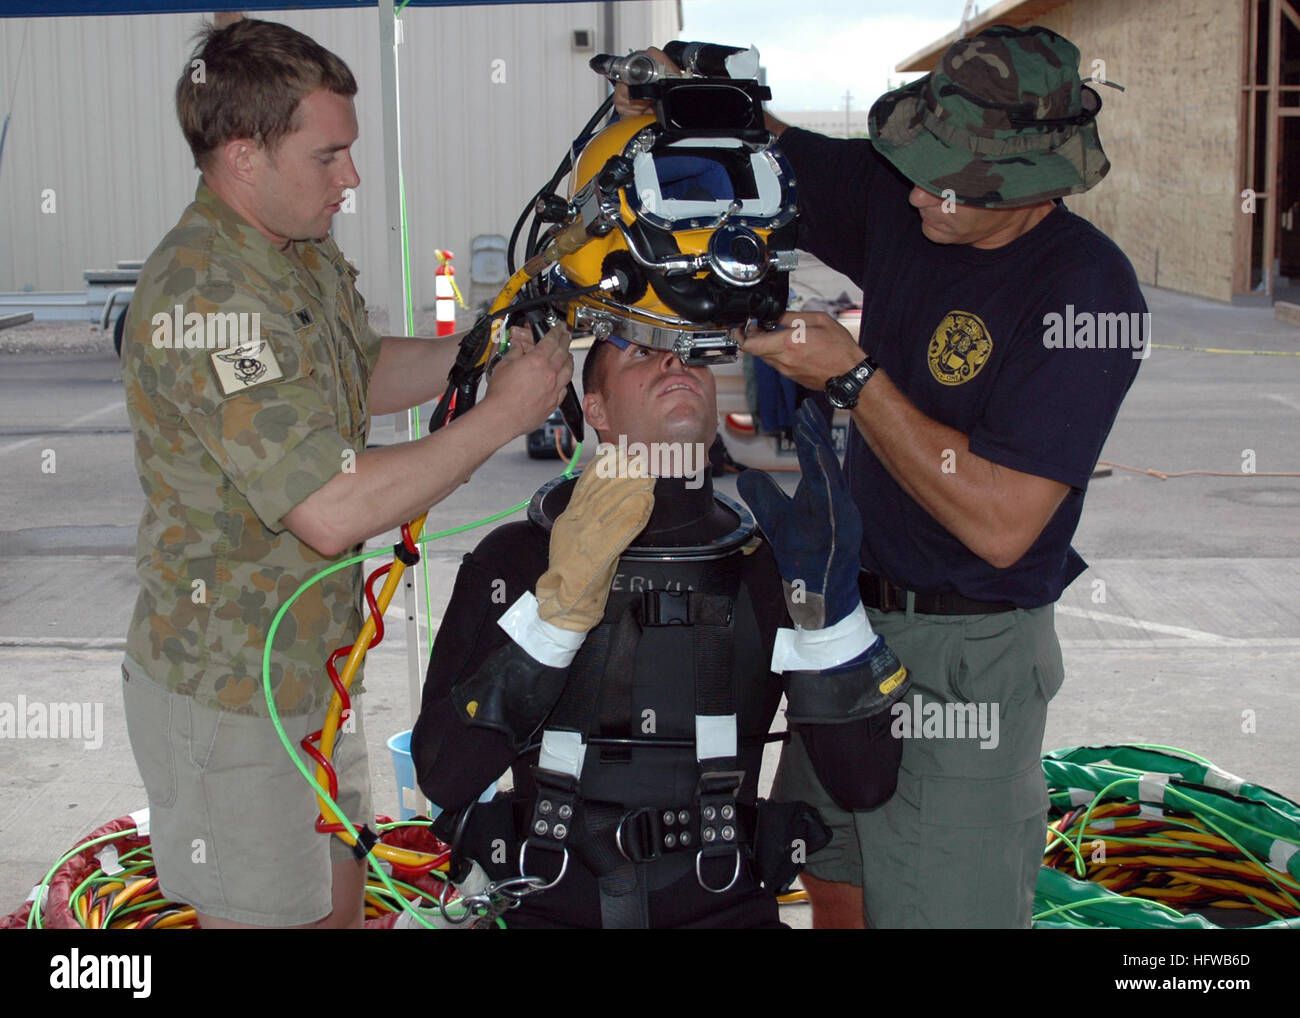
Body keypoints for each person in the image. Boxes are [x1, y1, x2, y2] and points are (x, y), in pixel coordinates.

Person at [620, 24, 1146, 928]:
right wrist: (688, 92)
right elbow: (774, 145)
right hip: (846, 632)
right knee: (835, 878)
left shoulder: (1084, 295)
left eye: (944, 180)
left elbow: (1003, 523)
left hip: (966, 660)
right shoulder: (911, 195)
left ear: (1031, 185)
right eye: (912, 163)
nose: (913, 194)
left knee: (942, 908)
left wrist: (853, 382)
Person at [119, 18, 571, 930]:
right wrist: (503, 416)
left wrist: (479, 353)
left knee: (335, 915)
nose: (351, 180)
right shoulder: (208, 297)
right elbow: (328, 510)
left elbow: (356, 370)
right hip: (234, 695)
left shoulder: (297, 251)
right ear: (244, 156)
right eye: (329, 156)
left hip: (312, 677)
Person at [409, 336, 911, 929]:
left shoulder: (773, 562)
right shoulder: (516, 561)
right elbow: (445, 773)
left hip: (725, 905)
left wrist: (834, 619)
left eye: (689, 354)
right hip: (547, 905)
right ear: (594, 409)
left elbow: (864, 783)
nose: (675, 361)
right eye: (641, 352)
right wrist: (556, 614)